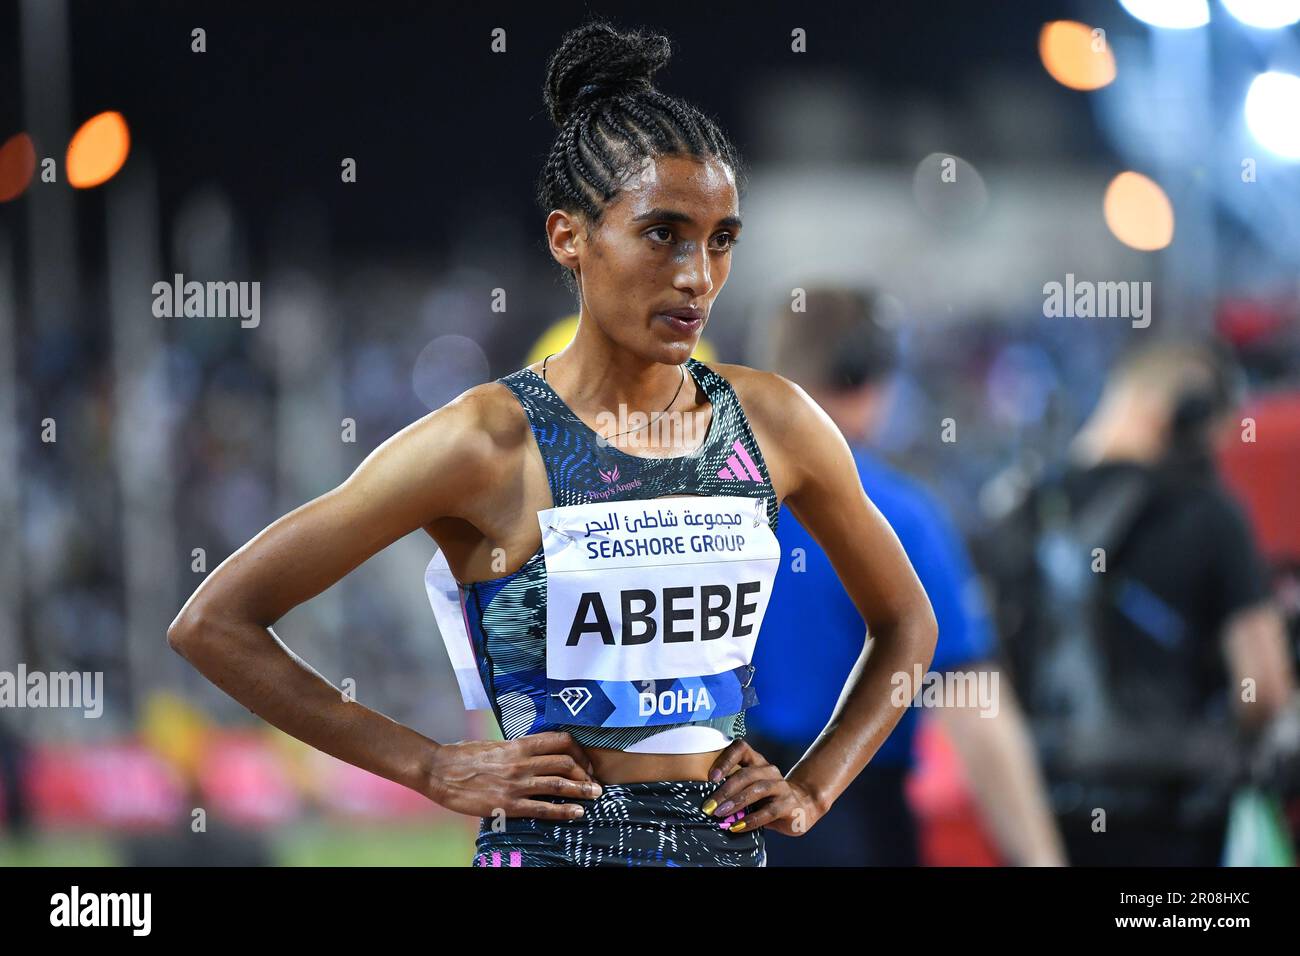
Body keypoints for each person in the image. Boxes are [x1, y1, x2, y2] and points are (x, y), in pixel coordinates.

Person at [167, 21, 937, 868]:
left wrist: (815, 785)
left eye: (721, 240)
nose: (697, 276)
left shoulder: (774, 423)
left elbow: (907, 622)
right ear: (569, 237)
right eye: (663, 233)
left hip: (722, 847)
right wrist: (428, 766)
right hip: (550, 849)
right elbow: (215, 623)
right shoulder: (486, 442)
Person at [745, 287, 1065, 866]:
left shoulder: (688, 504)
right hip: (850, 824)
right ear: (866, 381)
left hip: (710, 825)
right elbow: (972, 706)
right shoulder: (896, 517)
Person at [979, 340, 1297, 866]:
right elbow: (1263, 686)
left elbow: (989, 693)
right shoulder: (1210, 513)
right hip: (1177, 825)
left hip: (1049, 820)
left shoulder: (1016, 513)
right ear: (1184, 412)